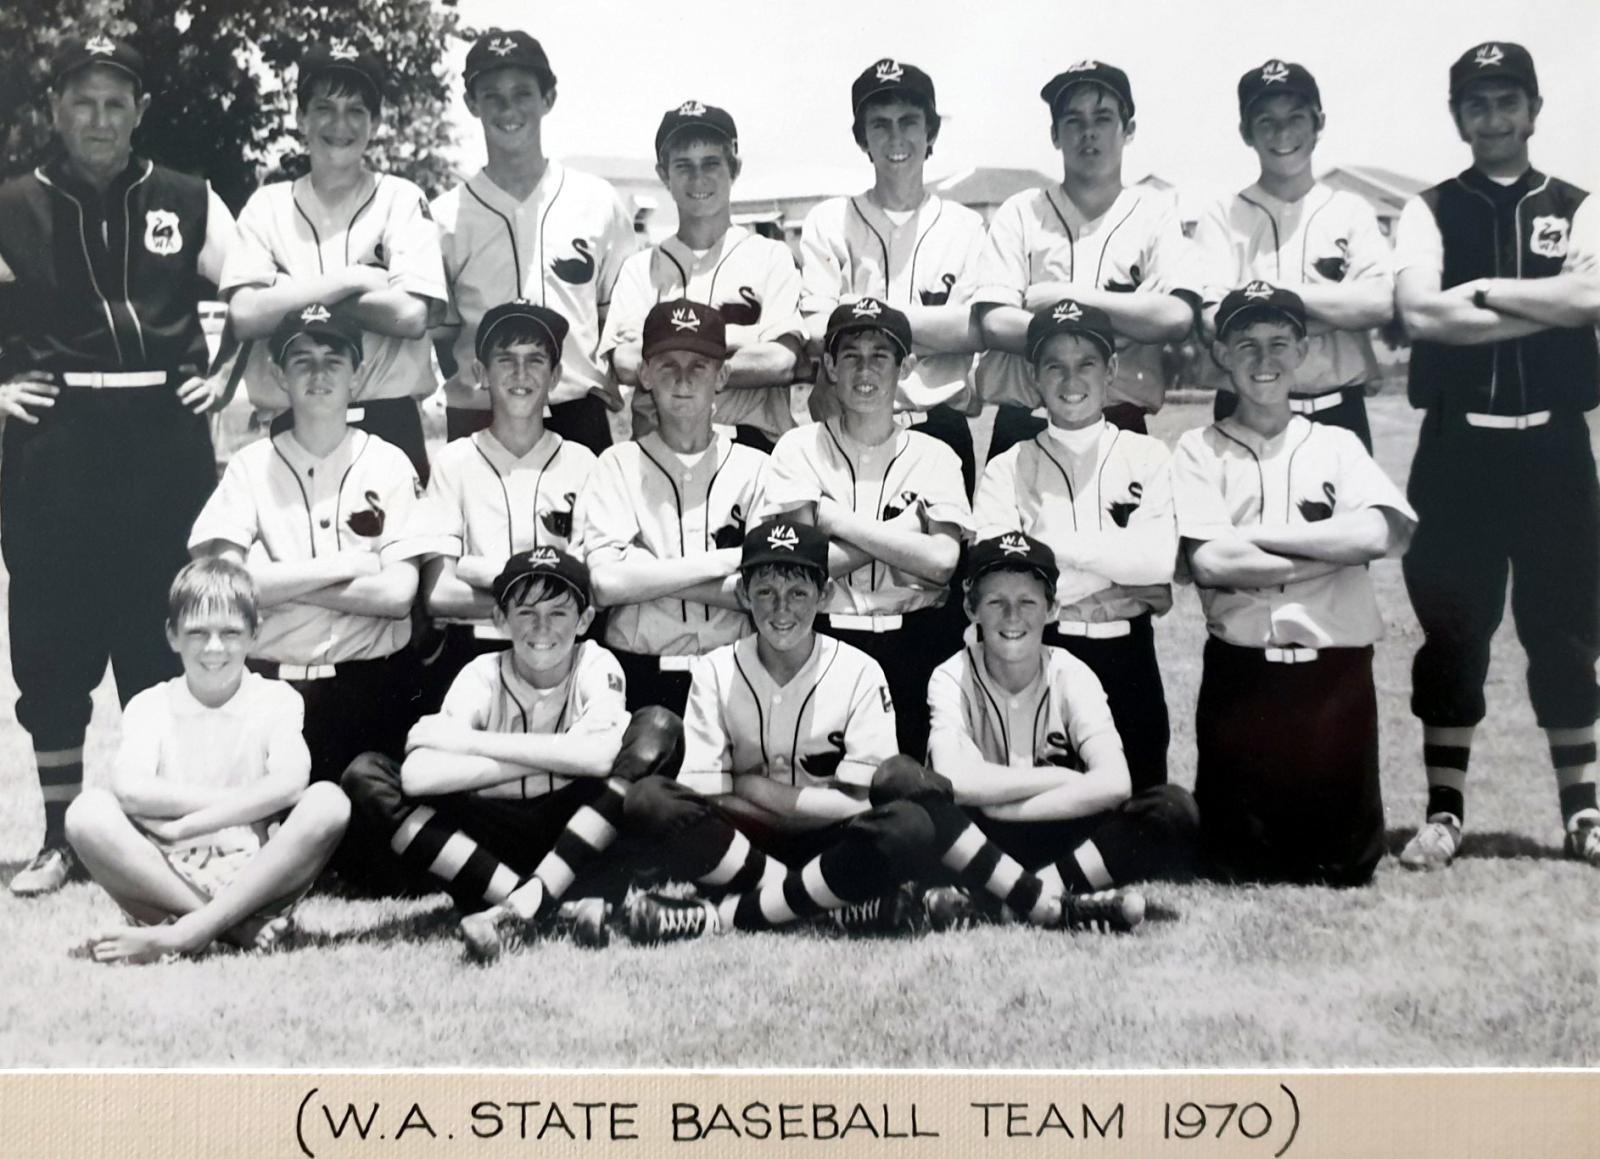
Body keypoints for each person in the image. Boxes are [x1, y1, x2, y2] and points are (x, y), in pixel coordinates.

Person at [0, 34, 234, 896]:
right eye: (82, 102)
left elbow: (257, 285)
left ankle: (156, 823)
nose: (99, 118)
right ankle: (61, 833)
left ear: (141, 112)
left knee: (160, 630)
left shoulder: (189, 197)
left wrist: (230, 373)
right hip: (54, 435)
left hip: (161, 433)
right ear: (55, 110)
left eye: (115, 102)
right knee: (52, 635)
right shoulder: (13, 202)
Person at [1393, 42, 1600, 870]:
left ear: (1535, 109)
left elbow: (1593, 295)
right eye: (1476, 103)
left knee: (1566, 631)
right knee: (1453, 630)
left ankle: (1582, 811)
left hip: (1554, 445)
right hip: (1458, 446)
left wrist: (1480, 292)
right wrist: (1544, 308)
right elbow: (1420, 315)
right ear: (1457, 116)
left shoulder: (1579, 203)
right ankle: (1445, 811)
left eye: (1508, 99)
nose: (1493, 116)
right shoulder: (1429, 207)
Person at [1173, 283, 1415, 885]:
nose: (1264, 359)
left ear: (1303, 350)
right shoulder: (1198, 449)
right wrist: (1325, 553)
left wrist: (1257, 536)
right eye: (1246, 344)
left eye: (1280, 342)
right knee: (1237, 865)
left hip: (1334, 678)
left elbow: (1374, 536)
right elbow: (1211, 565)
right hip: (1244, 680)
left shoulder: (1337, 444)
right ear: (1221, 355)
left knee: (1346, 867)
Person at [344, 548, 680, 961]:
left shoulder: (596, 661)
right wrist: (560, 753)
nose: (542, 627)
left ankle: (528, 905)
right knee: (366, 775)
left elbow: (596, 757)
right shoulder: (480, 673)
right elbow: (417, 776)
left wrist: (470, 743)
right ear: (500, 618)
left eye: (559, 613)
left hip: (578, 831)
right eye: (526, 612)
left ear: (585, 620)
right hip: (492, 847)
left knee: (659, 727)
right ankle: (539, 902)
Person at [618, 518, 936, 941]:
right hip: (745, 844)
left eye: (798, 592)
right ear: (744, 594)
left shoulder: (860, 670)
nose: (781, 608)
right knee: (649, 801)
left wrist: (755, 789)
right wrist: (797, 804)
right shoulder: (716, 668)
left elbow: (861, 806)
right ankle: (825, 904)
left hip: (833, 839)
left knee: (910, 826)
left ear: (824, 595)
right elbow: (706, 795)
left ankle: (721, 917)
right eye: (765, 591)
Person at [187, 306, 435, 797]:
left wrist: (275, 582)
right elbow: (228, 593)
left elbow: (397, 595)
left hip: (369, 686)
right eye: (301, 360)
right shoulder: (248, 467)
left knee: (368, 834)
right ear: (280, 374)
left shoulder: (388, 462)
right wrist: (345, 566)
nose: (318, 374)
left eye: (333, 360)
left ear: (356, 374)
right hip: (270, 689)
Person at [64, 558, 349, 964]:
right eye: (197, 633)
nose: (214, 648)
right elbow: (129, 787)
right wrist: (243, 805)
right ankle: (233, 928)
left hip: (256, 877)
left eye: (230, 633)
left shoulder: (277, 699)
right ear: (172, 636)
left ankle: (185, 931)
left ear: (255, 634)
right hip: (165, 876)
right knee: (86, 813)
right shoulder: (151, 704)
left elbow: (291, 782)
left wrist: (191, 824)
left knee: (329, 802)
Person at [918, 532, 1195, 926]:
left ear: (1053, 609)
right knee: (905, 786)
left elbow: (1115, 783)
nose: (1012, 617)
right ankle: (1058, 901)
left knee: (1173, 809)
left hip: (1057, 831)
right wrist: (1056, 777)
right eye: (996, 602)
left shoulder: (1072, 673)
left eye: (1028, 602)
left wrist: (1001, 800)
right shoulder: (951, 675)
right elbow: (954, 780)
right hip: (982, 839)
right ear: (970, 607)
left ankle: (1014, 897)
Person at [973, 300, 1177, 791]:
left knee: (1146, 811)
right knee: (1048, 810)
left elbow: (1156, 561)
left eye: (1086, 363)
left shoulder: (1146, 455)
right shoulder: (1008, 465)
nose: (1071, 380)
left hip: (1128, 659)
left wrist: (1047, 545)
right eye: (1054, 366)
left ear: (1110, 369)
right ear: (1034, 376)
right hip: (1044, 656)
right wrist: (1122, 573)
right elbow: (998, 580)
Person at [220, 41, 446, 483]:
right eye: (324, 107)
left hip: (386, 421)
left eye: (357, 110)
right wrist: (355, 278)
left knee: (395, 552)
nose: (340, 124)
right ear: (301, 117)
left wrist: (287, 298)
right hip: (287, 423)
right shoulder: (267, 205)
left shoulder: (402, 199)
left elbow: (411, 315)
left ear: (376, 122)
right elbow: (245, 316)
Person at [758, 298, 970, 758]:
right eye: (851, 355)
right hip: (829, 635)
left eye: (881, 356)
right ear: (830, 366)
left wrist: (834, 520)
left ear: (905, 366)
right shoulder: (798, 448)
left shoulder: (936, 455)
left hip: (917, 643)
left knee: (913, 789)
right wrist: (906, 529)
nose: (864, 370)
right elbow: (804, 568)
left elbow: (941, 564)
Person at [966, 60, 1201, 460]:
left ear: (1128, 131)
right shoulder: (1021, 211)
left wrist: (1063, 298)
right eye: (1073, 120)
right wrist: (1125, 323)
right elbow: (994, 323)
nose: (1088, 131)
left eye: (1103, 117)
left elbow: (1176, 317)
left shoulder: (1154, 213)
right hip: (1026, 422)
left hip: (1121, 420)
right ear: (1055, 134)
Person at [431, 28, 637, 452]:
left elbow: (617, 317)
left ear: (548, 98)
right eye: (493, 95)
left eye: (523, 93)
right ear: (472, 103)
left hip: (575, 408)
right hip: (480, 412)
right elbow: (441, 335)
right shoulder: (444, 215)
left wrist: (604, 375)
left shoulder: (596, 200)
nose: (509, 109)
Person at [797, 58, 985, 496]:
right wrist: (930, 330)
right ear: (862, 137)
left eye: (909, 121)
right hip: (848, 424)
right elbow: (813, 330)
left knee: (940, 562)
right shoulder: (828, 220)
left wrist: (858, 319)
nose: (896, 137)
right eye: (879, 124)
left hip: (937, 422)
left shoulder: (965, 226)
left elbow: (973, 331)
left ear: (931, 132)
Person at [573, 300, 767, 714]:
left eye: (699, 365)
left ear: (723, 375)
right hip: (639, 671)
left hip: (734, 670)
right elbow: (606, 587)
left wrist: (644, 572)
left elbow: (764, 594)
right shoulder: (616, 465)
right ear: (644, 375)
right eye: (666, 365)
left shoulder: (757, 468)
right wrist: (730, 559)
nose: (682, 379)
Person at [1191, 59, 1393, 451]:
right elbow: (1213, 321)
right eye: (1265, 120)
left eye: (1296, 117)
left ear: (1319, 122)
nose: (1282, 131)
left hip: (1338, 413)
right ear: (1245, 132)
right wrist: (1333, 316)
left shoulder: (1350, 210)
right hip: (1242, 412)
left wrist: (1267, 294)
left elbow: (1379, 303)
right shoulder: (1221, 215)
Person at [419, 299, 597, 708]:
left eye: (535, 360)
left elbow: (592, 589)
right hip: (473, 649)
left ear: (555, 376)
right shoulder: (454, 462)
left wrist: (476, 569)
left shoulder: (583, 463)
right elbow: (440, 593)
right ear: (481, 373)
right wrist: (545, 605)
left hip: (561, 656)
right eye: (506, 360)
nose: (520, 374)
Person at [600, 101, 804, 453]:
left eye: (711, 163)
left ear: (734, 168)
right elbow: (627, 364)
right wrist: (744, 338)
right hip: (659, 448)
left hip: (753, 444)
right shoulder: (641, 268)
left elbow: (780, 362)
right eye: (684, 166)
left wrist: (671, 355)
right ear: (664, 174)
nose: (698, 178)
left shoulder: (771, 256)